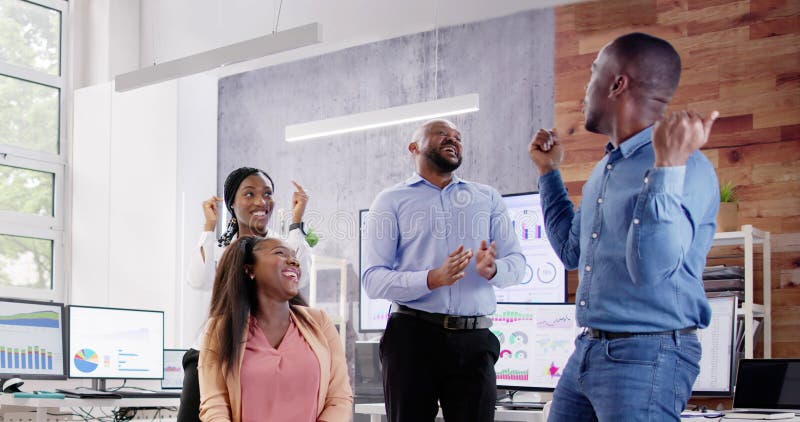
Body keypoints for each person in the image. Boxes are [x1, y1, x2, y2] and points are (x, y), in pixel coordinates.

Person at [528, 32, 720, 421]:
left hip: (647, 355)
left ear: (618, 83)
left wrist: (667, 169)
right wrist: (549, 173)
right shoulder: (608, 167)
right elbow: (571, 252)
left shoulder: (688, 166)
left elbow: (651, 271)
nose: (585, 88)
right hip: (589, 349)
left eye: (593, 72)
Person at [362, 119, 526, 422]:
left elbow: (517, 264)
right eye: (441, 134)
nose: (452, 140)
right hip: (412, 338)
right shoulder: (391, 201)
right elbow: (373, 279)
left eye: (458, 137)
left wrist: (493, 269)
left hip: (474, 340)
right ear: (414, 148)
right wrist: (431, 279)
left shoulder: (487, 198)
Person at [178, 167, 312, 422]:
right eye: (249, 194)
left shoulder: (281, 248)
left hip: (257, 360)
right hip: (212, 354)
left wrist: (297, 221)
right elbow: (197, 280)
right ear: (232, 203)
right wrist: (209, 227)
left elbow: (301, 277)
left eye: (267, 194)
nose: (261, 202)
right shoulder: (221, 248)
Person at [198, 236, 352, 422]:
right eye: (280, 253)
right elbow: (214, 407)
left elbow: (339, 399)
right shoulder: (219, 330)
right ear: (249, 269)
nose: (294, 261)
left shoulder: (320, 323)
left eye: (294, 257)